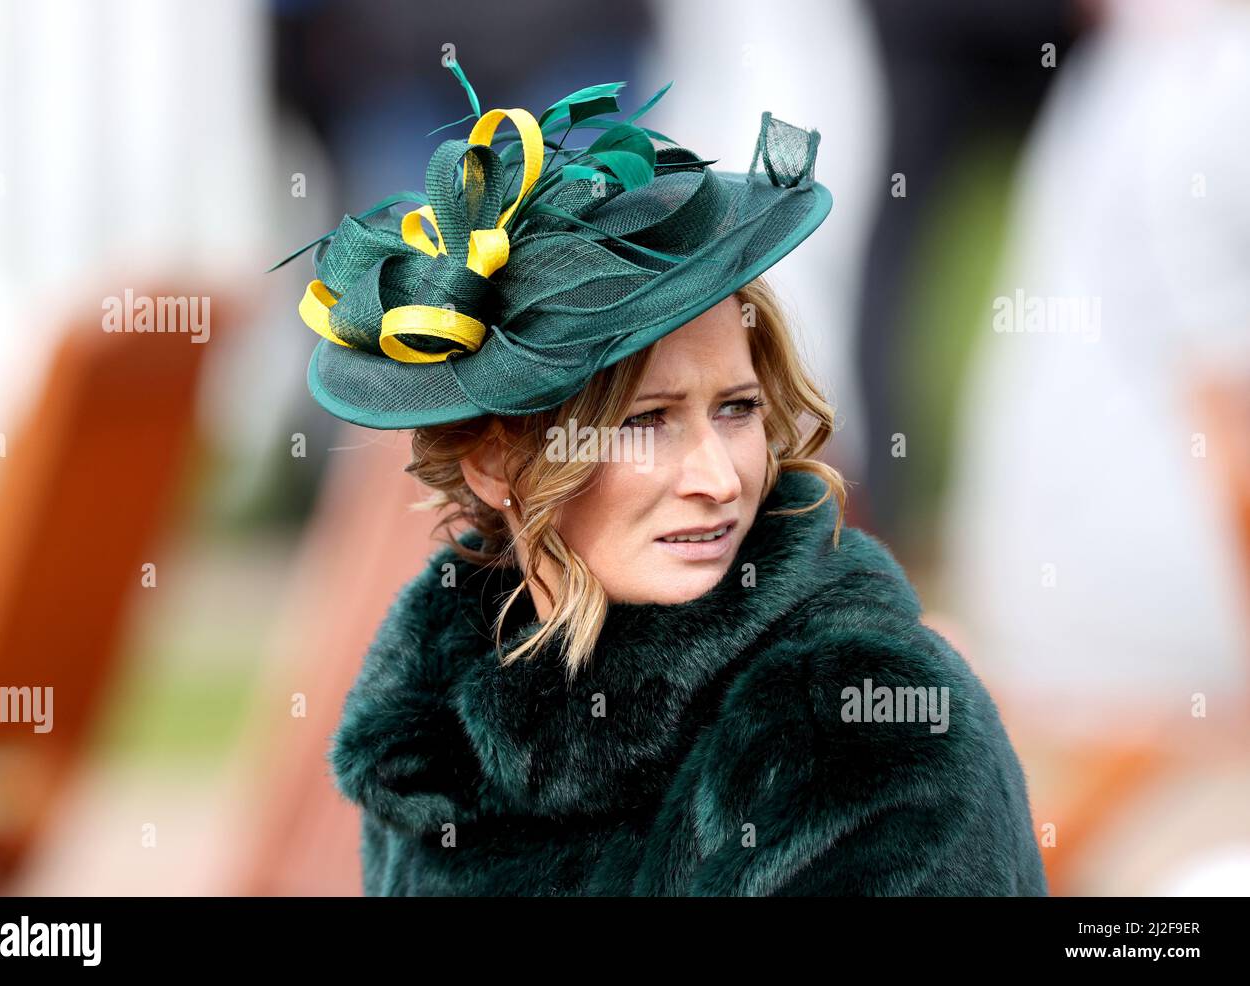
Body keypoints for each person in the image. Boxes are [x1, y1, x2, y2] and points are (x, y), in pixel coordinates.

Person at [274, 58, 1048, 896]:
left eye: (739, 409)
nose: (718, 477)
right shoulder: (432, 745)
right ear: (497, 460)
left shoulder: (861, 725)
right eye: (647, 422)